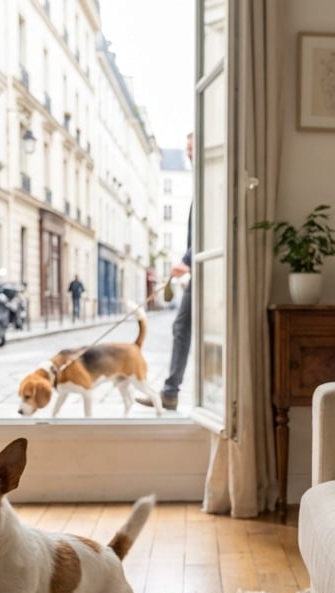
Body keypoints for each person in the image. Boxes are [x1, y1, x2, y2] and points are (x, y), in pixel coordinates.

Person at [138, 132, 194, 411]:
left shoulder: (211, 181)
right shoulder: (204, 182)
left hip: (208, 271)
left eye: (191, 146)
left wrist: (190, 259)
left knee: (184, 326)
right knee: (181, 326)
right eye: (186, 148)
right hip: (200, 270)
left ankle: (172, 391)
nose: (188, 152)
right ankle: (170, 392)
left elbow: (212, 229)